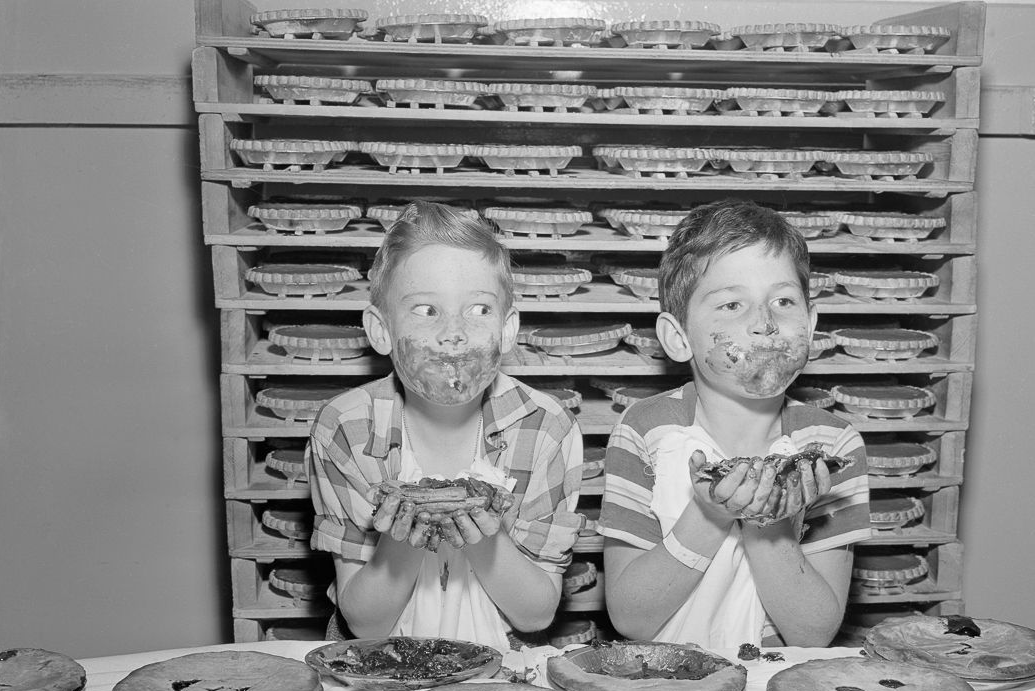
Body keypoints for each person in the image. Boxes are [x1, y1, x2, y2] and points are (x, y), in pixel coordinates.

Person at [305, 201, 584, 649]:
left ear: (507, 329)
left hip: (506, 664)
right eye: (425, 310)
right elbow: (366, 625)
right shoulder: (346, 427)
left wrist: (487, 541)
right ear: (381, 330)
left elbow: (536, 614)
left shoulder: (546, 427)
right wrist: (400, 541)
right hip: (383, 664)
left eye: (478, 310)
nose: (452, 332)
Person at [598, 200, 871, 649]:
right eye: (731, 304)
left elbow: (813, 632)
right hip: (666, 685)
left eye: (783, 301)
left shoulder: (833, 447)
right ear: (679, 338)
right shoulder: (645, 430)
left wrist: (769, 523)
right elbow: (631, 619)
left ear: (811, 323)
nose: (764, 323)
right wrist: (710, 514)